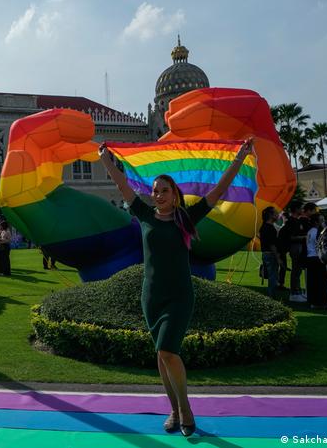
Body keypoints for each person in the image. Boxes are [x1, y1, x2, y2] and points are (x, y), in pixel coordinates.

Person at [100, 137, 254, 438]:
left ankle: (185, 409)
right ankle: (173, 409)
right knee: (162, 355)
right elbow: (122, 186)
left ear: (174, 195)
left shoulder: (186, 217)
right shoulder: (144, 215)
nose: (158, 195)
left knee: (169, 351)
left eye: (164, 191)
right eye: (155, 190)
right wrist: (106, 159)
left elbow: (218, 191)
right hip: (151, 296)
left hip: (179, 296)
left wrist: (239, 158)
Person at [304, 211, 327, 308]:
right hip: (317, 258)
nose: (323, 222)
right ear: (316, 222)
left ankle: (313, 301)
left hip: (310, 257)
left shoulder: (310, 231)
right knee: (321, 281)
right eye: (321, 220)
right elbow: (321, 245)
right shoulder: (318, 232)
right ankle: (321, 302)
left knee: (312, 281)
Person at [259, 206, 280, 298]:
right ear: (271, 215)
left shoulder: (263, 227)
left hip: (265, 254)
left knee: (271, 275)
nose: (278, 215)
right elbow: (272, 245)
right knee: (273, 276)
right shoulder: (270, 228)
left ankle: (271, 295)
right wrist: (278, 257)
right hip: (270, 254)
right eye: (275, 213)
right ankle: (272, 296)